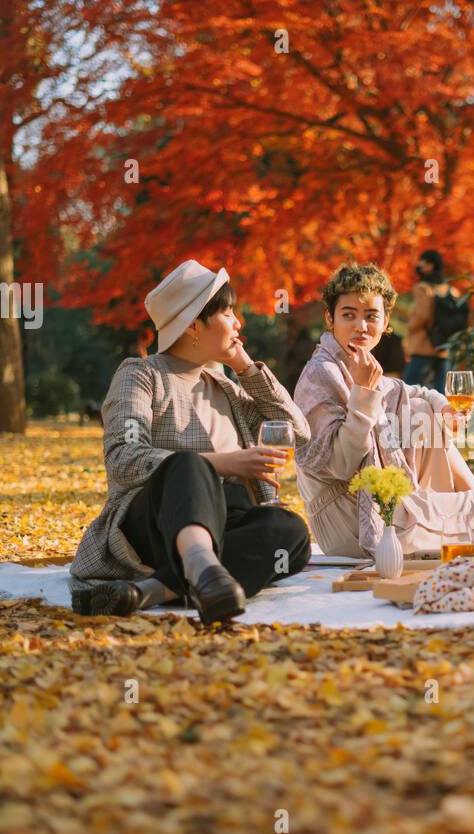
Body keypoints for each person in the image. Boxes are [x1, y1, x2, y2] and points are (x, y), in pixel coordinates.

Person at [70, 260, 312, 623]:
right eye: (228, 312)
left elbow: (297, 431)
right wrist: (225, 462)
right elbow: (123, 457)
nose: (238, 323)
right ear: (194, 326)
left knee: (288, 530)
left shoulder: (227, 387)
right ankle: (200, 569)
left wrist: (246, 367)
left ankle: (151, 591)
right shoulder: (141, 374)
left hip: (227, 520)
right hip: (156, 520)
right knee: (187, 463)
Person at [293, 263, 474, 557]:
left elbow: (414, 392)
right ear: (330, 318)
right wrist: (362, 397)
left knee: (419, 409)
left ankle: (465, 507)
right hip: (349, 520)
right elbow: (340, 465)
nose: (361, 327)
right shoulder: (321, 374)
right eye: (348, 315)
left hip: (383, 500)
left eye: (371, 316)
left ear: (386, 319)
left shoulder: (357, 364)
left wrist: (445, 409)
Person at [403, 249, 464, 393]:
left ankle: (402, 416)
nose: (419, 265)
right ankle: (441, 416)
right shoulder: (451, 290)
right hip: (444, 347)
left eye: (422, 262)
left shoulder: (422, 287)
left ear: (430, 265)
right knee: (442, 392)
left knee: (407, 389)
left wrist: (410, 327)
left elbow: (422, 314)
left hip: (424, 345)